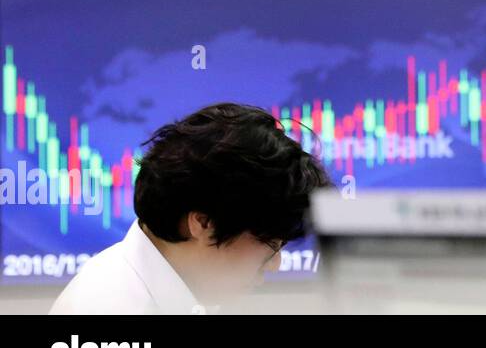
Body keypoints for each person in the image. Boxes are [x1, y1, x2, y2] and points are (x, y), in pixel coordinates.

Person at [50, 103, 331, 314]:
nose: (275, 265)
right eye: (270, 243)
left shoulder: (185, 295)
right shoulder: (106, 310)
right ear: (204, 222)